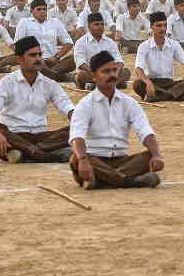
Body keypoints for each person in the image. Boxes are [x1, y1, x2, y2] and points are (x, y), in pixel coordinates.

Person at [68, 50, 166, 189]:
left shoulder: (129, 103)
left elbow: (145, 131)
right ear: (94, 76)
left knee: (150, 156)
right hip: (94, 160)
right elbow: (77, 136)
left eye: (114, 70)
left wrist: (156, 155)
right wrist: (83, 160)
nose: (112, 75)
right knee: (76, 159)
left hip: (122, 162)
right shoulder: (85, 105)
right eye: (106, 71)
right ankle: (129, 181)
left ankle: (103, 181)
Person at [0, 36, 76, 163]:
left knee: (78, 127)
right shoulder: (7, 82)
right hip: (14, 135)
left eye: (40, 55)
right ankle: (47, 156)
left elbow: (67, 107)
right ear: (19, 59)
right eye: (32, 55)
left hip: (42, 138)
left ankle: (26, 153)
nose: (38, 59)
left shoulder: (49, 83)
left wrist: (78, 120)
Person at [132, 12, 184, 102]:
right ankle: (175, 95)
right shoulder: (144, 46)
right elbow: (138, 69)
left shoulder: (174, 44)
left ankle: (159, 96)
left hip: (170, 83)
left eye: (165, 25)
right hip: (153, 83)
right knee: (138, 84)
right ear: (151, 27)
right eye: (159, 26)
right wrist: (148, 83)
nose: (163, 29)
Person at [14, 0, 76, 82]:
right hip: (34, 61)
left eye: (44, 9)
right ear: (32, 11)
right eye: (39, 9)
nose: (42, 11)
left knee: (74, 58)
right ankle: (67, 77)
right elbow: (18, 45)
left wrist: (56, 57)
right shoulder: (24, 22)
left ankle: (44, 74)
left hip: (53, 61)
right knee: (39, 66)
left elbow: (69, 42)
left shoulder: (55, 22)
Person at [73, 12, 130, 90]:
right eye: (96, 24)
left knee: (126, 72)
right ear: (89, 26)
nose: (100, 27)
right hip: (91, 73)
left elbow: (119, 60)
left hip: (109, 74)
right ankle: (112, 84)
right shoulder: (80, 42)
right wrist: (96, 72)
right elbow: (80, 63)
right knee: (81, 75)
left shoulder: (110, 42)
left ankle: (96, 85)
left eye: (102, 24)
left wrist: (116, 72)